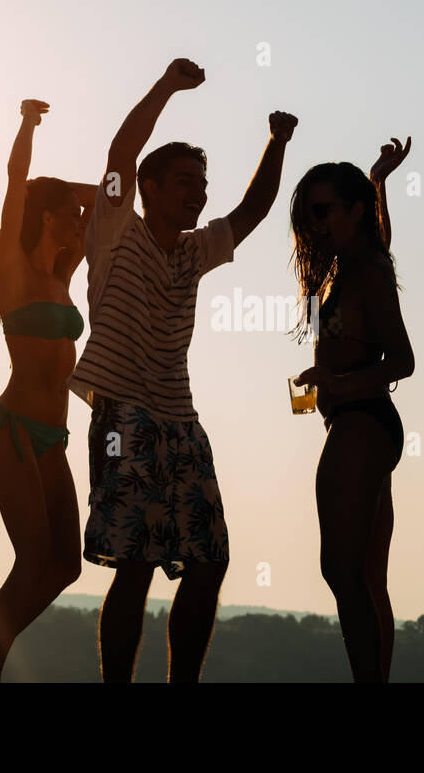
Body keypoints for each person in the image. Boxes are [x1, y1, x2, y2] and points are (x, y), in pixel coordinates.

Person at [68, 57, 297, 682]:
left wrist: (276, 144)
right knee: (136, 564)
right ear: (149, 189)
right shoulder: (116, 231)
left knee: (210, 557)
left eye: (201, 182)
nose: (198, 192)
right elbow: (121, 151)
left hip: (180, 419)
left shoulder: (195, 252)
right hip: (123, 411)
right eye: (184, 182)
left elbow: (251, 210)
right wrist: (167, 86)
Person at [0, 98, 96, 682]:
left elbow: (110, 200)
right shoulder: (10, 267)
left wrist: (71, 193)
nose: (78, 220)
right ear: (45, 216)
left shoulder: (64, 276)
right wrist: (28, 125)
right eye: (68, 213)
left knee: (66, 564)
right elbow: (17, 182)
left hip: (53, 438)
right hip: (11, 428)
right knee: (33, 558)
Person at [292, 139, 415, 683]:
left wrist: (337, 380)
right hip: (357, 423)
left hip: (362, 422)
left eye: (325, 209)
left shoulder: (364, 269)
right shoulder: (348, 266)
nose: (315, 221)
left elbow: (404, 360)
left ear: (354, 211)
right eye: (309, 211)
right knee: (365, 577)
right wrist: (378, 181)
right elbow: (378, 241)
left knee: (340, 570)